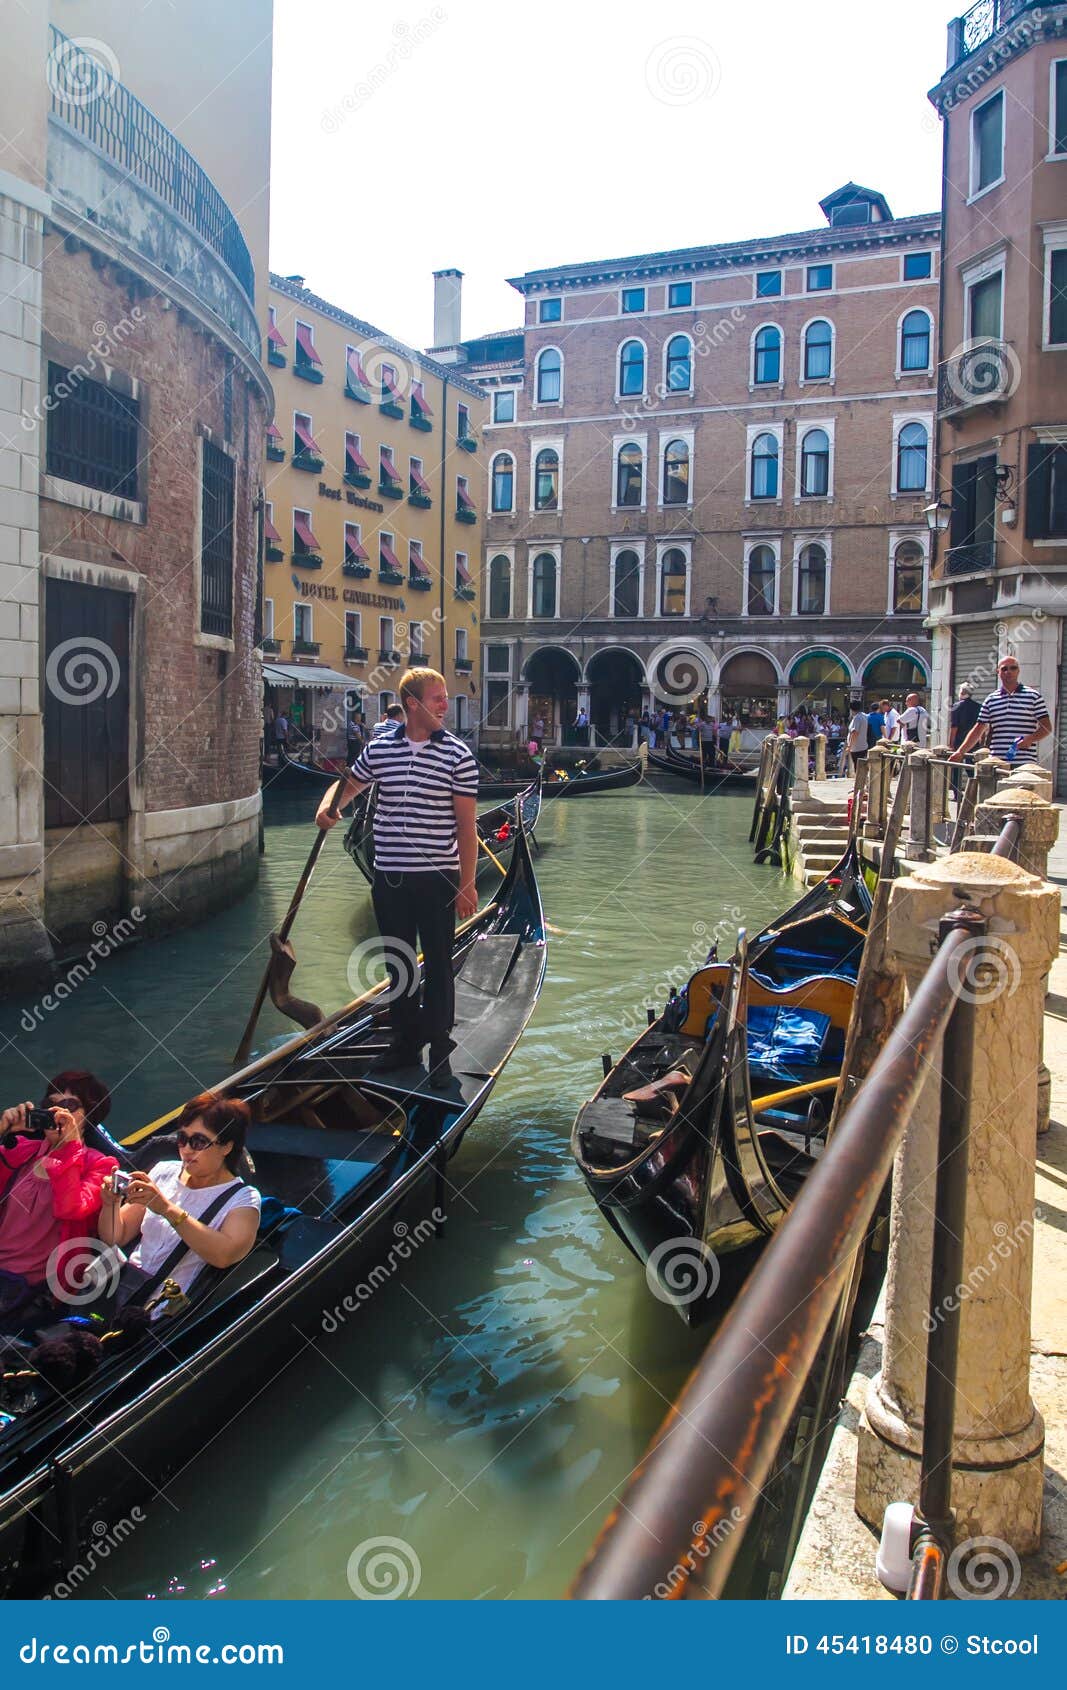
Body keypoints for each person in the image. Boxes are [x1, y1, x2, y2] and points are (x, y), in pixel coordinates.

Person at [316, 667, 478, 1079]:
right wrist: (327, 807)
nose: (445, 704)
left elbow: (466, 827)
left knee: (439, 963)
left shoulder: (458, 755)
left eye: (445, 696)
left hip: (438, 875)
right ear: (413, 704)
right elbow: (349, 784)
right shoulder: (381, 749)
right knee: (399, 963)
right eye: (438, 697)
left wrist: (467, 885)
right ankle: (406, 1044)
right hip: (389, 876)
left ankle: (440, 1044)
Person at [99, 1093, 260, 1317]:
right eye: (182, 1139)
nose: (186, 1149)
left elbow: (225, 1255)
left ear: (226, 1147)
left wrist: (166, 1209)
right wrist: (111, 1204)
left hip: (163, 1314)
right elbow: (117, 1236)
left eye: (199, 1142)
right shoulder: (164, 1171)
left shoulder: (244, 1199)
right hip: (123, 1291)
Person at [0, 1071, 118, 1322]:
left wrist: (70, 1146)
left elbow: (71, 1208)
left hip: (30, 1291)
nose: (56, 1112)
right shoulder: (21, 1150)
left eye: (69, 1105)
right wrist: (2, 1131)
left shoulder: (101, 1166)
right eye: (50, 1105)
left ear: (88, 1116)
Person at [950, 657, 1052, 766]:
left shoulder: (1033, 696)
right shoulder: (991, 699)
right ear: (998, 672)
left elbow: (1047, 728)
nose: (1009, 671)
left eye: (1013, 668)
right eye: (1004, 669)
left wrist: (1030, 739)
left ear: (1018, 671)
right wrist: (960, 752)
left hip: (1024, 763)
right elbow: (978, 729)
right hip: (996, 763)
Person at [841, 699, 868, 779]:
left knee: (858, 768)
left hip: (857, 747)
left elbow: (855, 733)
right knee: (860, 768)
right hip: (862, 745)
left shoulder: (857, 718)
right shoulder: (863, 716)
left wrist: (849, 746)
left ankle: (860, 787)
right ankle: (860, 786)